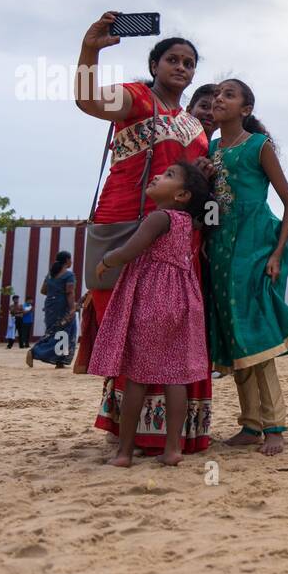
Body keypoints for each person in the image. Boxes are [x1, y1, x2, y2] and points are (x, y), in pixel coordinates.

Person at [74, 19, 213, 456]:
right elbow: (88, 100)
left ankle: (164, 437)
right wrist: (89, 52)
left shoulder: (195, 127)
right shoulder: (136, 97)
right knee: (127, 331)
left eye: (189, 63)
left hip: (173, 241)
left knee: (167, 332)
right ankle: (128, 434)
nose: (182, 68)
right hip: (121, 223)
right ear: (154, 64)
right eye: (173, 59)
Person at [205, 80, 288, 453]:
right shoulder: (213, 149)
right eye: (217, 94)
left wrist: (277, 253)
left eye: (229, 95)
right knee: (235, 333)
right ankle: (250, 425)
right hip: (220, 250)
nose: (219, 99)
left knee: (257, 334)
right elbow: (212, 205)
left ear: (246, 109)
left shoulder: (258, 146)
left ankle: (275, 425)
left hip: (255, 248)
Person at [89, 161, 211, 466]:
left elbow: (131, 249)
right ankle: (172, 449)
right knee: (176, 377)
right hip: (183, 299)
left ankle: (125, 452)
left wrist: (107, 259)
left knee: (137, 378)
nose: (158, 175)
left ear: (182, 195)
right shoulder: (187, 221)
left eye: (169, 175)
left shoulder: (158, 218)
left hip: (154, 299)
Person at [26, 250, 78, 369]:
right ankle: (35, 352)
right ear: (66, 260)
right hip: (62, 306)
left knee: (54, 332)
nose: (71, 261)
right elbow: (70, 293)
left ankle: (59, 361)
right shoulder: (68, 275)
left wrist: (54, 292)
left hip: (50, 306)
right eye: (70, 259)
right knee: (64, 333)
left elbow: (43, 290)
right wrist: (72, 309)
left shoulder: (50, 274)